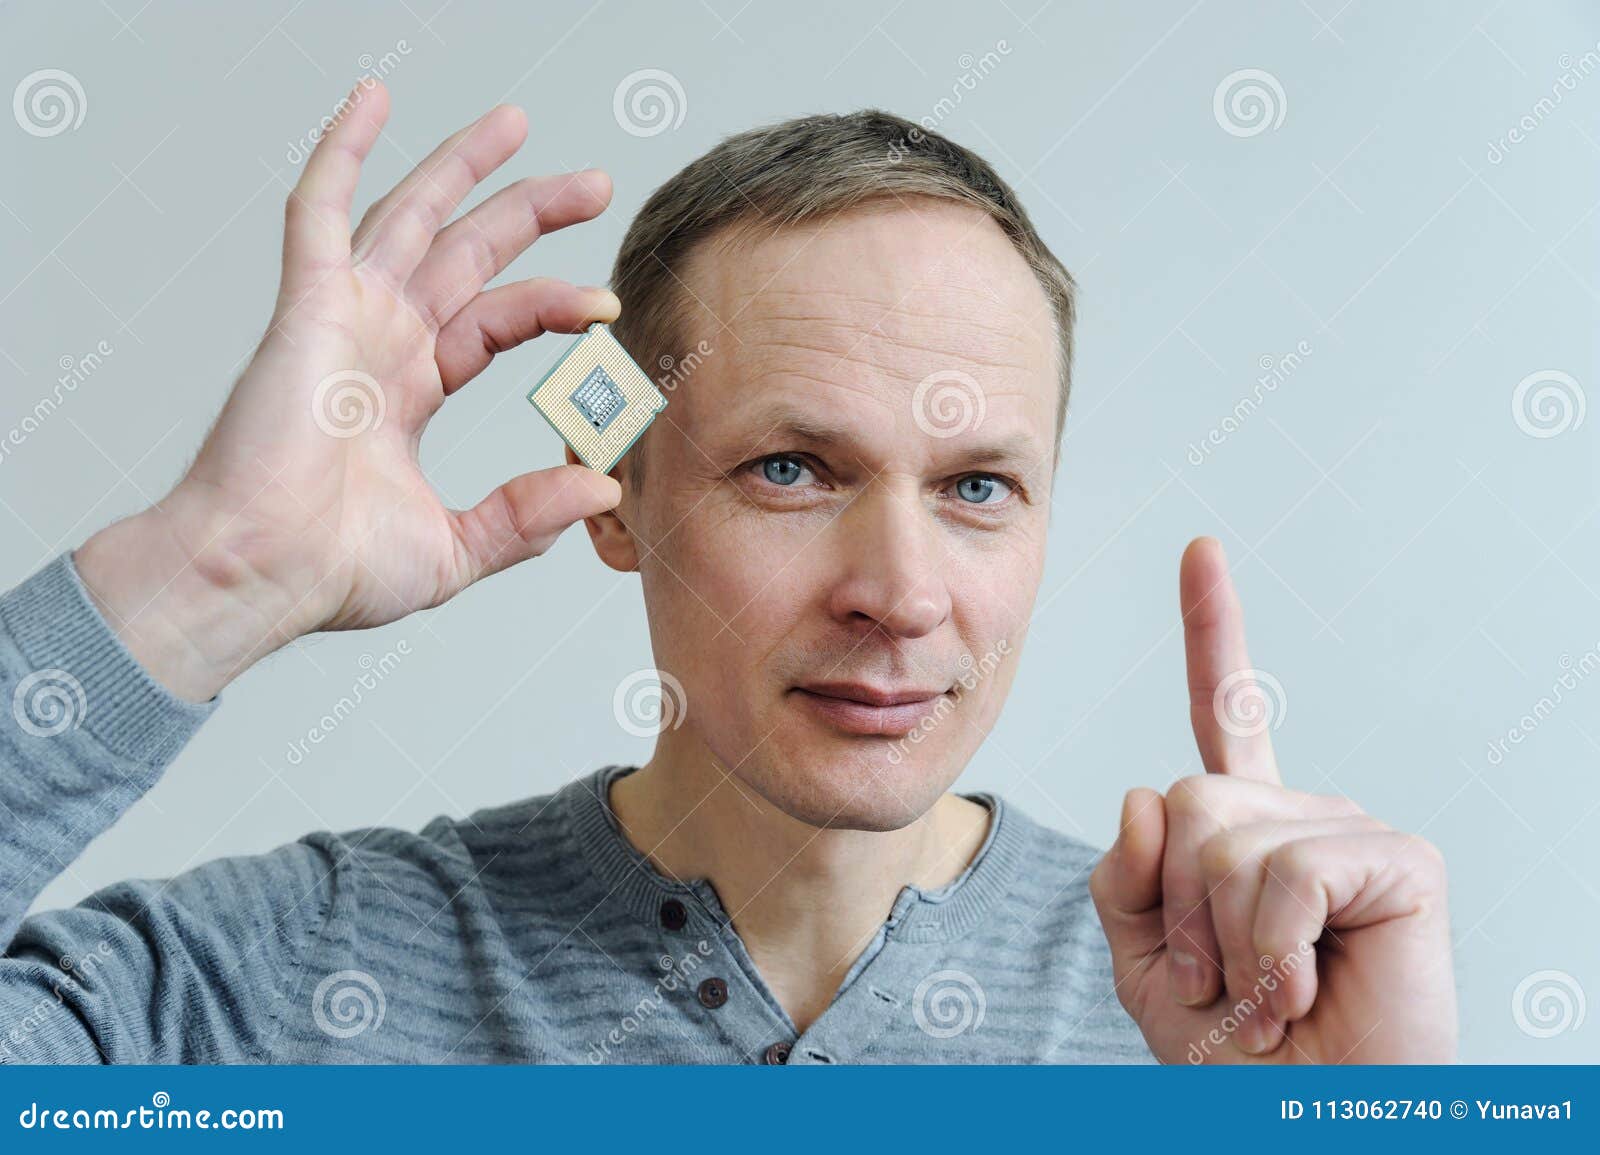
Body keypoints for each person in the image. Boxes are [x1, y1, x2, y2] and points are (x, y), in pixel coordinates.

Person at [0, 82, 1456, 1064]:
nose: (901, 594)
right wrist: (207, 575)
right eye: (791, 469)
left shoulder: (1225, 1017)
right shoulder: (280, 987)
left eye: (976, 489)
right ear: (615, 495)